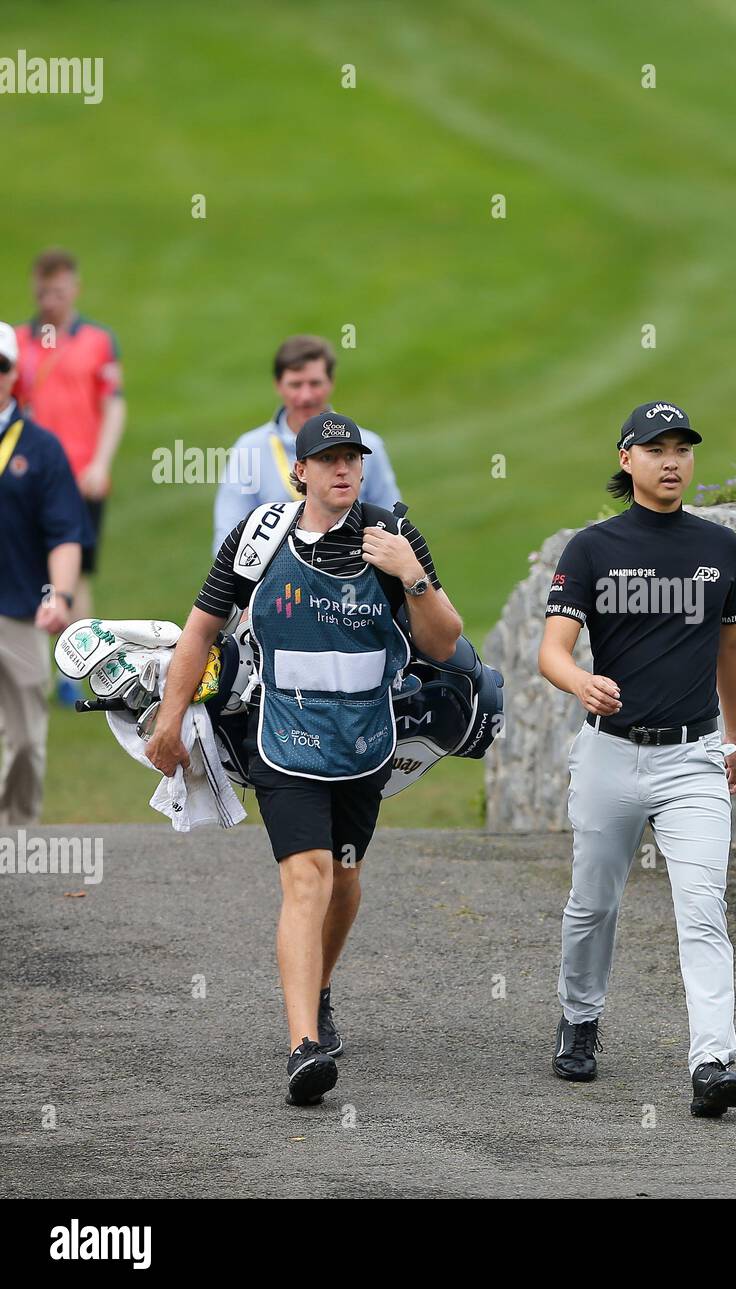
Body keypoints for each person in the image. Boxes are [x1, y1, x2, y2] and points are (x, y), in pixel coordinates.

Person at [146, 413, 462, 1106]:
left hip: (363, 745)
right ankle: (303, 1046)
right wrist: (170, 716)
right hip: (282, 740)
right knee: (306, 877)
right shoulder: (258, 537)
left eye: (353, 457)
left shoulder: (394, 537)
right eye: (329, 459)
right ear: (302, 471)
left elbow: (443, 641)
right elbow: (200, 629)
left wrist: (411, 576)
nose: (344, 469)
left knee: (345, 877)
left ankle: (318, 988)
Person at [538, 400, 736, 1119]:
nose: (672, 460)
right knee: (593, 902)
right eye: (656, 448)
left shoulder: (721, 546)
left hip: (692, 755)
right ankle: (580, 1014)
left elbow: (732, 646)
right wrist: (580, 682)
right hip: (609, 755)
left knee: (703, 909)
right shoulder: (590, 549)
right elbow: (552, 651)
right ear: (625, 459)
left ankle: (712, 1059)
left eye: (683, 448)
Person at [14, 249, 125, 704]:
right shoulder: (17, 342)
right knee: (24, 567)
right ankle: (31, 669)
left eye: (59, 292)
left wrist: (101, 462)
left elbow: (113, 403)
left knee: (75, 573)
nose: (51, 301)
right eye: (43, 292)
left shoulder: (99, 340)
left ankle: (74, 671)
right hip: (26, 475)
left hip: (80, 476)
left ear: (74, 289)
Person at [0, 321, 85, 824]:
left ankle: (15, 840)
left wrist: (61, 596)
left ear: (14, 374)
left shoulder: (42, 448)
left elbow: (65, 535)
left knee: (27, 742)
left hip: (18, 611)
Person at [212, 335, 400, 554]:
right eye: (295, 384)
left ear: (331, 383)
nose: (306, 396)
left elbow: (393, 527)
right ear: (278, 386)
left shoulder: (368, 445)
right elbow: (228, 539)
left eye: (315, 383)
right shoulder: (248, 449)